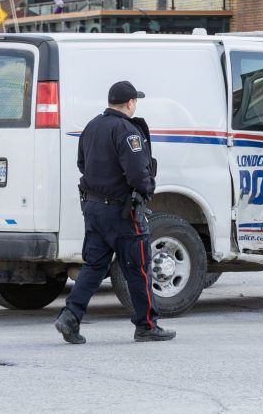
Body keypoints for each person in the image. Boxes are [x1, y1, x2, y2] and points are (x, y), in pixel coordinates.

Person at [54, 80, 176, 344]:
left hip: (93, 208)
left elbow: (82, 163)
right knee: (139, 268)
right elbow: (137, 172)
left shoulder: (92, 126)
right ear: (130, 103)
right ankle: (146, 326)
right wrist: (147, 188)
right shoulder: (126, 130)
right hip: (122, 212)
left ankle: (70, 317)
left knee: (94, 265)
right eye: (135, 102)